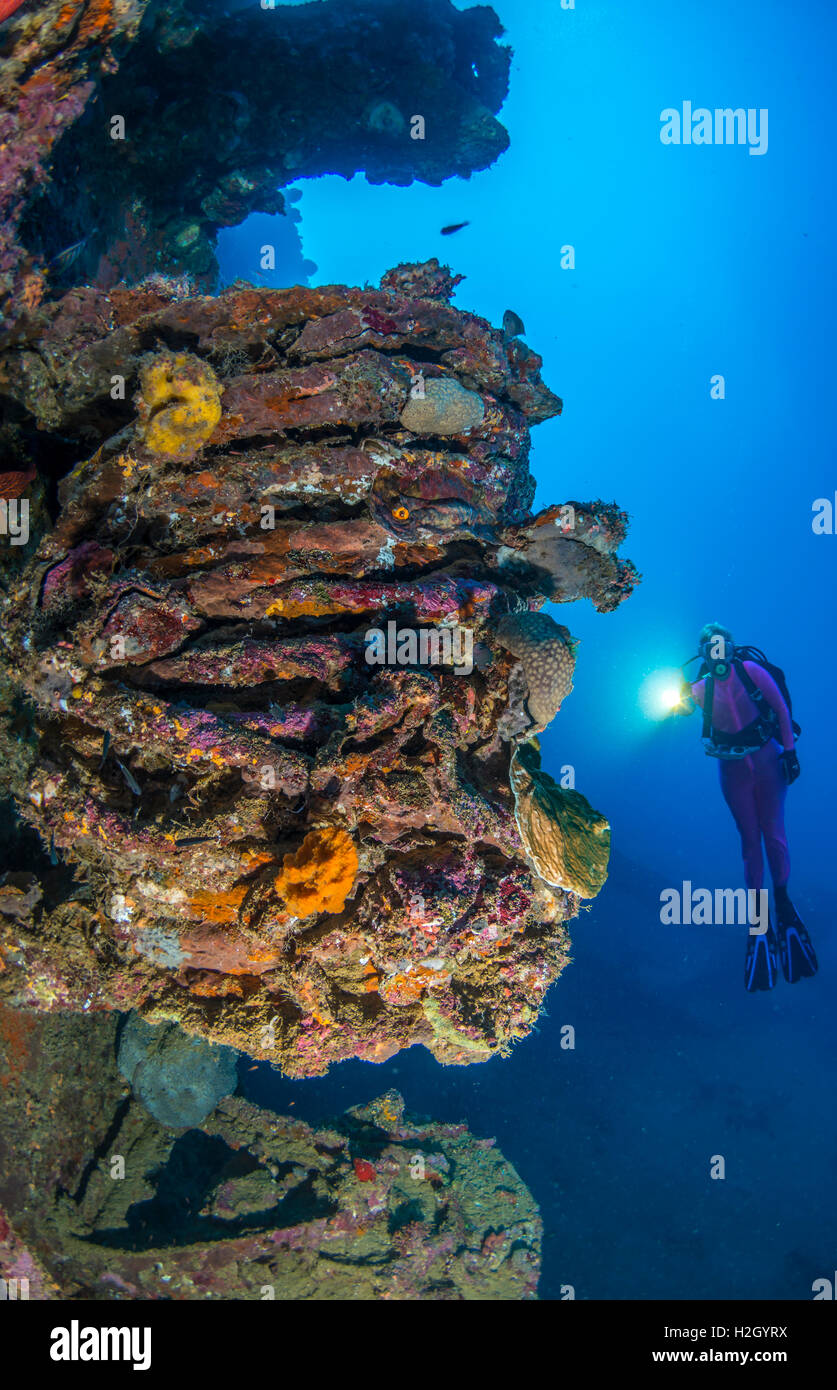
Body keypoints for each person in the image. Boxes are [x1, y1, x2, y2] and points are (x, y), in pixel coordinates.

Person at [677, 622, 817, 991]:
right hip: (733, 768)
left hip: (768, 761)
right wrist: (675, 699)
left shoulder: (751, 672)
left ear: (731, 646)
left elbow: (781, 711)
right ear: (703, 652)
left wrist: (789, 752)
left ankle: (783, 902)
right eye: (708, 646)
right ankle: (760, 917)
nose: (716, 651)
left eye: (720, 644)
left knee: (774, 834)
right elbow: (675, 707)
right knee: (749, 842)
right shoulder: (700, 688)